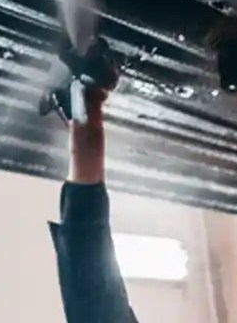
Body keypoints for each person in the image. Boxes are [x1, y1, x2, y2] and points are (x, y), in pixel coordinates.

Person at [49, 83, 140, 323]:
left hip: (81, 244)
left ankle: (76, 107)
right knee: (84, 186)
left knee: (80, 189)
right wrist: (88, 95)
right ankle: (87, 91)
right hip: (83, 241)